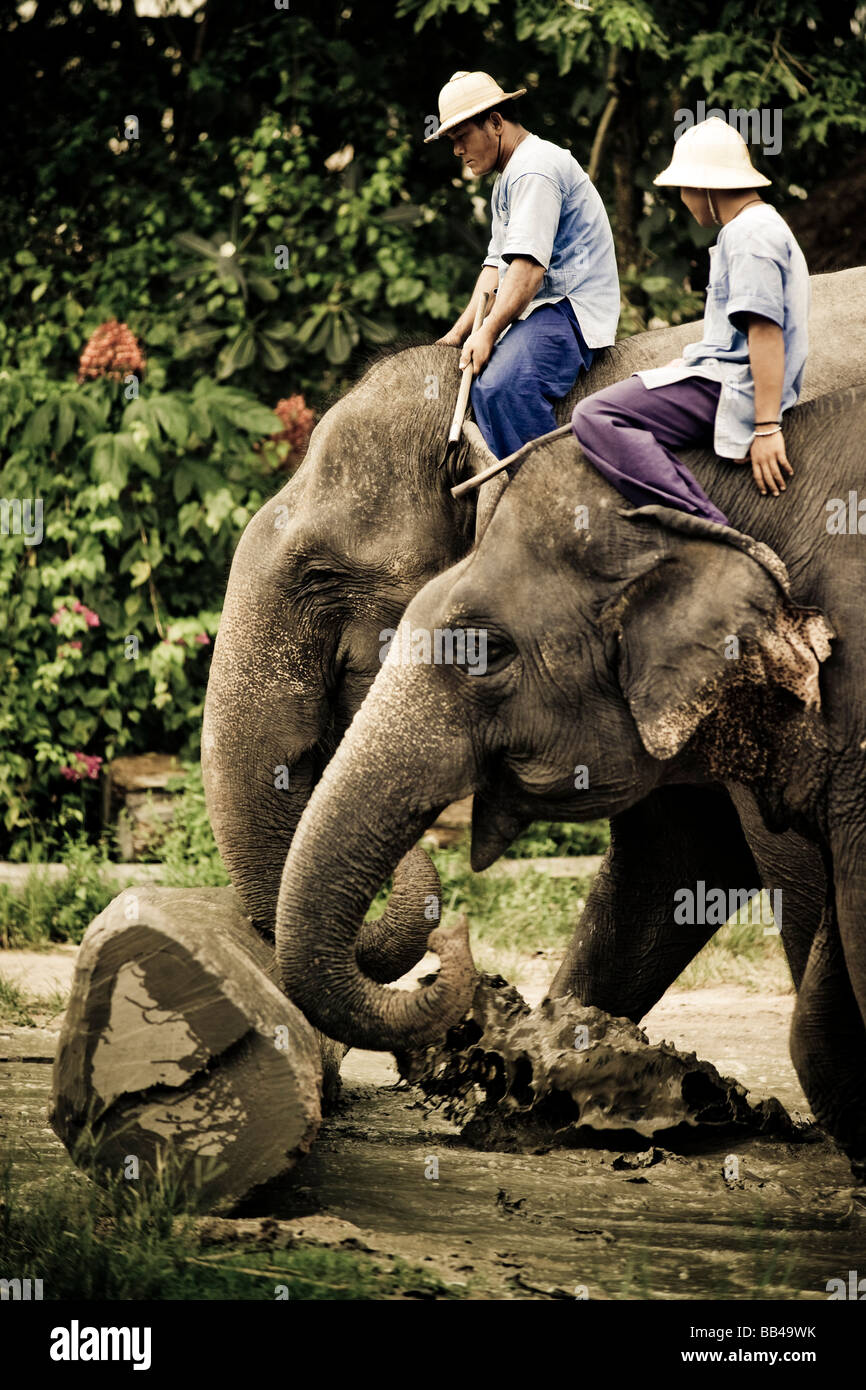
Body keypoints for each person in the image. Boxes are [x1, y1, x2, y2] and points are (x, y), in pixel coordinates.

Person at [571, 116, 810, 521]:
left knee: (594, 415)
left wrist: (766, 427)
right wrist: (689, 365)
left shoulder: (749, 236)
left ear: (705, 187)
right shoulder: (756, 226)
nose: (682, 198)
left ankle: (704, 524)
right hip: (723, 375)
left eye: (684, 187)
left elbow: (765, 332)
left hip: (733, 387)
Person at [426, 70, 620, 466]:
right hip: (541, 309)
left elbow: (528, 272)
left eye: (462, 137)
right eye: (452, 141)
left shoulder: (534, 169)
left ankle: (549, 499)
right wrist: (457, 334)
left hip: (569, 308)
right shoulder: (508, 178)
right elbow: (496, 268)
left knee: (501, 388)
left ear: (496, 123)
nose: (457, 150)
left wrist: (490, 330)